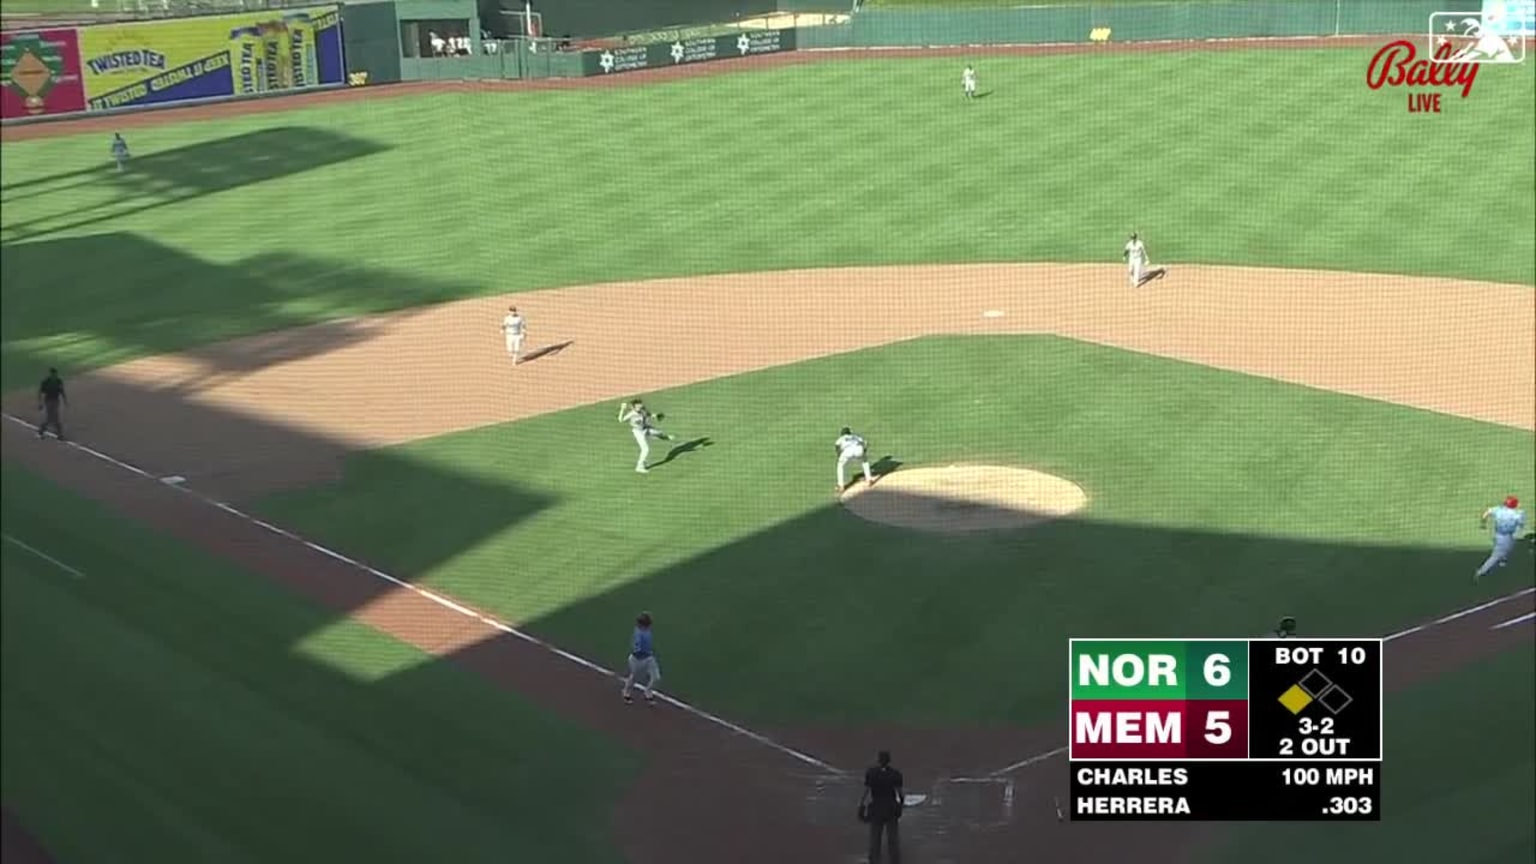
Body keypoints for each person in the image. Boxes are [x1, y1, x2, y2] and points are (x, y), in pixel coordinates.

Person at [859, 750, 904, 864]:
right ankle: (894, 860)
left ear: (879, 760)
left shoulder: (871, 773)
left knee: (875, 838)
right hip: (890, 808)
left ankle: (874, 860)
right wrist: (900, 805)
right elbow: (900, 794)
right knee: (893, 838)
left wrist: (861, 806)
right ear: (889, 760)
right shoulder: (895, 774)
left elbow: (866, 792)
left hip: (876, 808)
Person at [1474, 496, 1526, 582]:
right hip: (1506, 537)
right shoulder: (1517, 514)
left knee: (1509, 548)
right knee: (1496, 556)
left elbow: (1486, 513)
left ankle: (1502, 564)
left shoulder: (1498, 509)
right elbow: (1521, 525)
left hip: (1497, 534)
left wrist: (1483, 523)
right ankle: (1480, 572)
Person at [619, 399, 673, 473]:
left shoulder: (642, 410)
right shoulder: (631, 414)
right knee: (645, 449)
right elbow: (621, 420)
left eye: (640, 405)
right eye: (638, 406)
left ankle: (665, 437)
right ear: (634, 407)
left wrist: (656, 415)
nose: (640, 407)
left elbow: (649, 414)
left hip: (645, 428)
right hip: (638, 432)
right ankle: (639, 466)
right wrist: (622, 409)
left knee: (658, 433)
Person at [621, 612, 660, 705]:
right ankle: (626, 692)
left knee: (656, 677)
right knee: (634, 677)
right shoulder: (638, 634)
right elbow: (636, 648)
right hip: (637, 659)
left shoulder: (646, 631)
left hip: (649, 658)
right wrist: (641, 651)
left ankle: (648, 692)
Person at [835, 427, 875, 493]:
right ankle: (869, 479)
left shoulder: (841, 439)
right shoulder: (856, 437)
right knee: (865, 461)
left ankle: (840, 485)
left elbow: (837, 446)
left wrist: (839, 455)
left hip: (848, 451)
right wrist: (864, 452)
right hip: (859, 449)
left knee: (840, 465)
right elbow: (865, 443)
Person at [37, 367, 67, 440]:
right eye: (53, 374)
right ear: (50, 374)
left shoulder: (58, 381)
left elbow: (62, 391)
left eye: (55, 374)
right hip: (48, 401)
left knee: (54, 418)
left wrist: (65, 400)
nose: (54, 375)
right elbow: (40, 392)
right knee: (51, 418)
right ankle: (42, 431)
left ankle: (58, 434)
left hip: (56, 401)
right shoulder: (46, 382)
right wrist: (40, 403)